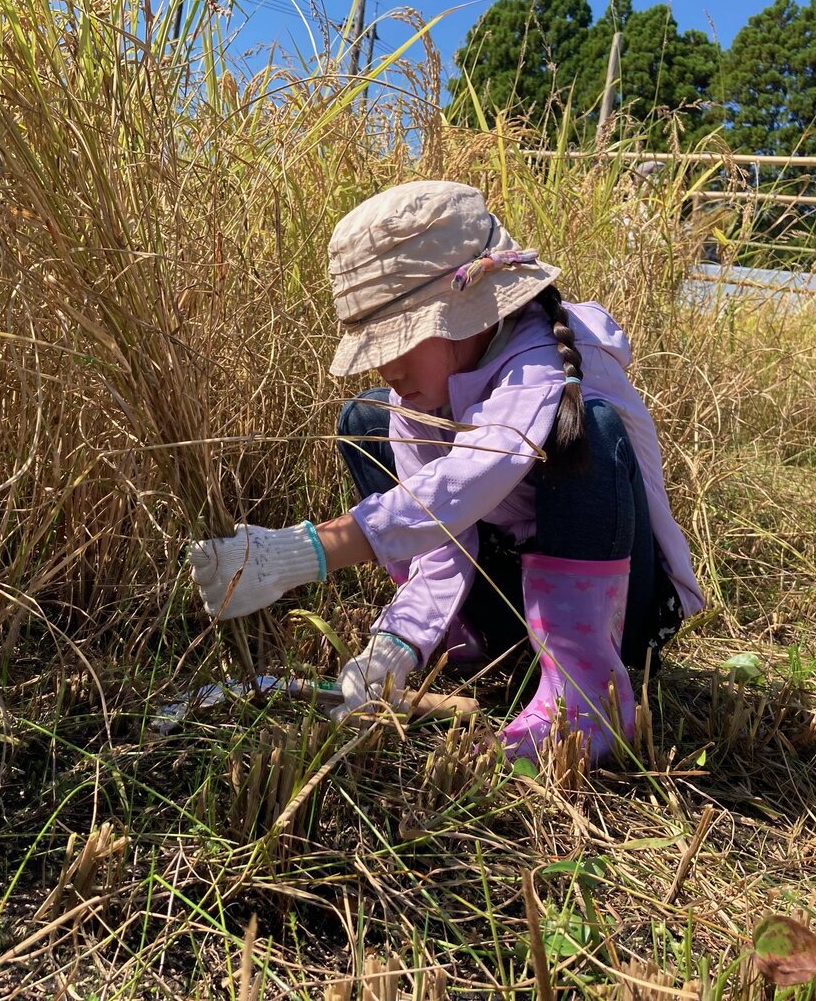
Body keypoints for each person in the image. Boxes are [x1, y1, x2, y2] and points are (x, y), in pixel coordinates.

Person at [187, 181, 704, 765]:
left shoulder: (548, 362)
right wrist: (395, 644)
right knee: (365, 416)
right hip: (512, 603)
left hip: (618, 610)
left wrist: (304, 552)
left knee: (588, 422)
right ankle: (468, 642)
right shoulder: (416, 400)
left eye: (401, 340)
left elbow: (470, 481)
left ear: (466, 312)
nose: (390, 365)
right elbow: (441, 536)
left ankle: (585, 700)